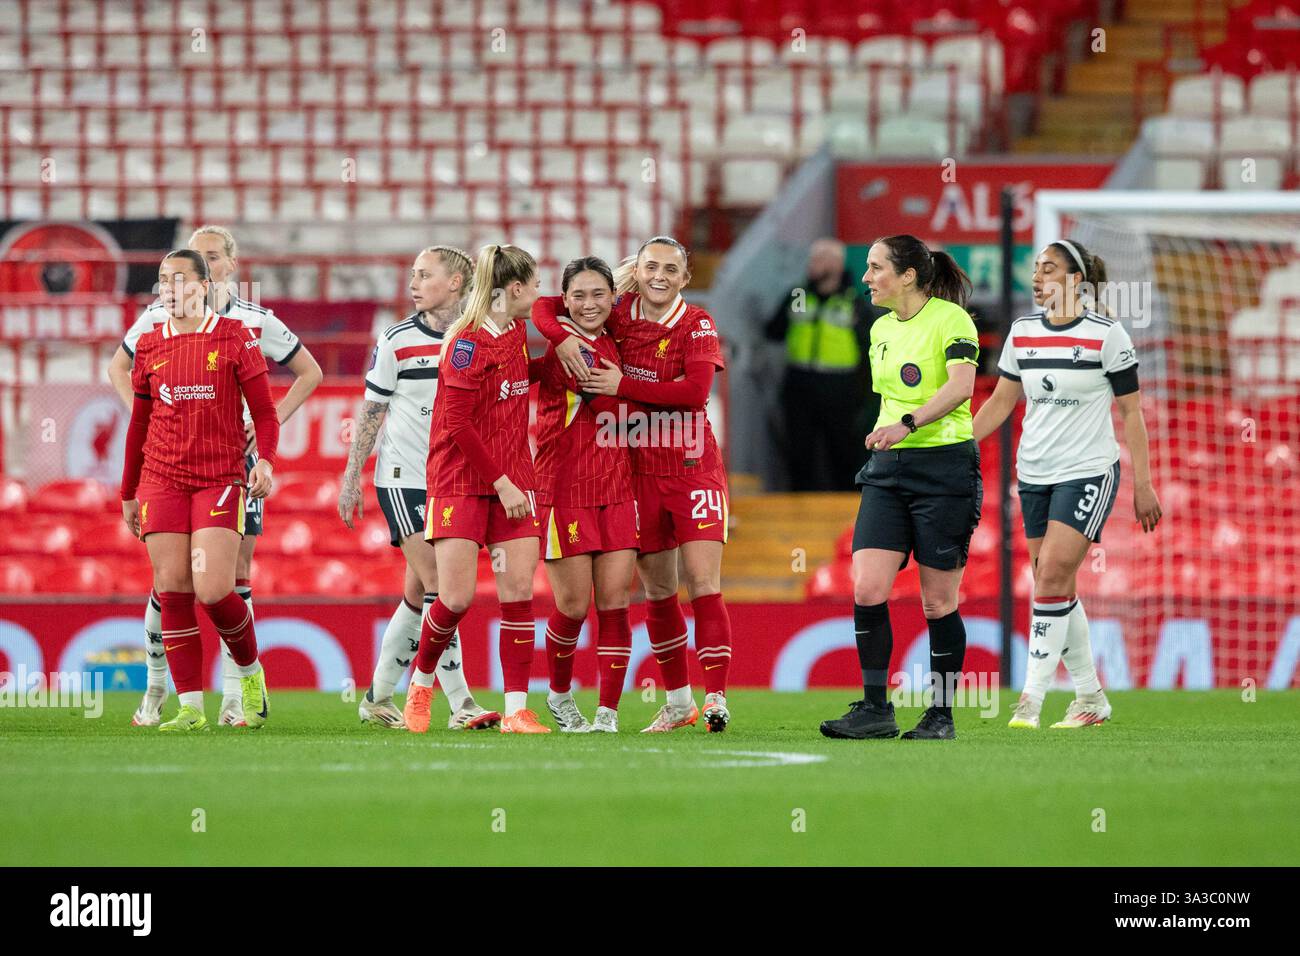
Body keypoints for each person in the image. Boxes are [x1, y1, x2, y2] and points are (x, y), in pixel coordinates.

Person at [109, 225, 321, 728]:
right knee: (171, 587)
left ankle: (247, 675)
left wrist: (265, 459)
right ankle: (186, 706)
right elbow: (138, 424)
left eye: (179, 278)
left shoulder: (239, 332)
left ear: (207, 281)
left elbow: (266, 409)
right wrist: (128, 490)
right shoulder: (150, 338)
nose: (169, 288)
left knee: (215, 589)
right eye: (163, 279)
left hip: (220, 475)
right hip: (161, 478)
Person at [534, 236, 733, 733]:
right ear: (637, 273)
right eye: (651, 267)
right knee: (658, 590)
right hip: (638, 472)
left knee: (702, 582)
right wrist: (560, 339)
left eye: (670, 269)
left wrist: (622, 385)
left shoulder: (697, 323)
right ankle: (678, 702)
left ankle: (716, 698)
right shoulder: (616, 312)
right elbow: (543, 306)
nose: (660, 276)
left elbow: (695, 393)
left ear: (685, 277)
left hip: (692, 466)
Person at [973, 239, 1162, 729]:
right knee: (1054, 585)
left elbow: (1131, 412)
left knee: (1053, 574)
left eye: (1049, 269)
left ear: (1076, 280)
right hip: (1034, 473)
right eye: (1036, 268)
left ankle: (1030, 701)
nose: (1037, 277)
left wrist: (1144, 484)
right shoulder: (1023, 332)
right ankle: (1090, 697)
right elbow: (1000, 402)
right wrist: (957, 444)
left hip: (1088, 470)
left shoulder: (1107, 335)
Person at [818, 235, 982, 742]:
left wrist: (907, 425)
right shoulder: (880, 328)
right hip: (888, 471)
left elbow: (961, 387)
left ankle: (941, 716)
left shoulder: (952, 320)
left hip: (944, 470)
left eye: (875, 267)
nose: (865, 277)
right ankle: (875, 709)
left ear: (908, 275)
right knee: (867, 588)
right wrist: (889, 436)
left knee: (937, 603)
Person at [338, 245, 500, 731]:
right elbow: (372, 410)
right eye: (412, 274)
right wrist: (351, 475)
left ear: (455, 283)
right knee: (441, 589)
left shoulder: (479, 338)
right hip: (404, 480)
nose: (413, 283)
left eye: (425, 275)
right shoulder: (396, 339)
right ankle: (461, 703)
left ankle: (377, 697)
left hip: (452, 483)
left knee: (418, 596)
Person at [404, 244, 548, 734]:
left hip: (514, 479)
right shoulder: (466, 343)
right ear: (515, 289)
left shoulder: (516, 331)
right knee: (456, 598)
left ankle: (516, 710)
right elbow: (459, 425)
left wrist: (561, 360)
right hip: (461, 481)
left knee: (519, 594)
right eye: (535, 284)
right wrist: (502, 484)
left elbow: (517, 379)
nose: (540, 293)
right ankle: (421, 685)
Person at [532, 257, 638, 733]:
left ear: (614, 297)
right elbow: (618, 411)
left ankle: (608, 713)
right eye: (578, 296)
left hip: (617, 487)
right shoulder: (571, 349)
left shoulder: (614, 336)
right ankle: (558, 693)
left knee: (615, 604)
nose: (589, 304)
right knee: (574, 607)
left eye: (599, 294)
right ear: (565, 300)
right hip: (564, 489)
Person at [764, 238, 885, 490]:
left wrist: (863, 391)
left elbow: (869, 348)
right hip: (799, 382)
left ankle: (844, 502)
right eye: (813, 260)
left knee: (841, 450)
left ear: (835, 265)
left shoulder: (853, 300)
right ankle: (799, 502)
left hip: (839, 386)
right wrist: (786, 314)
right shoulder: (799, 295)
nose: (812, 265)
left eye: (819, 260)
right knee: (799, 450)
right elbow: (774, 331)